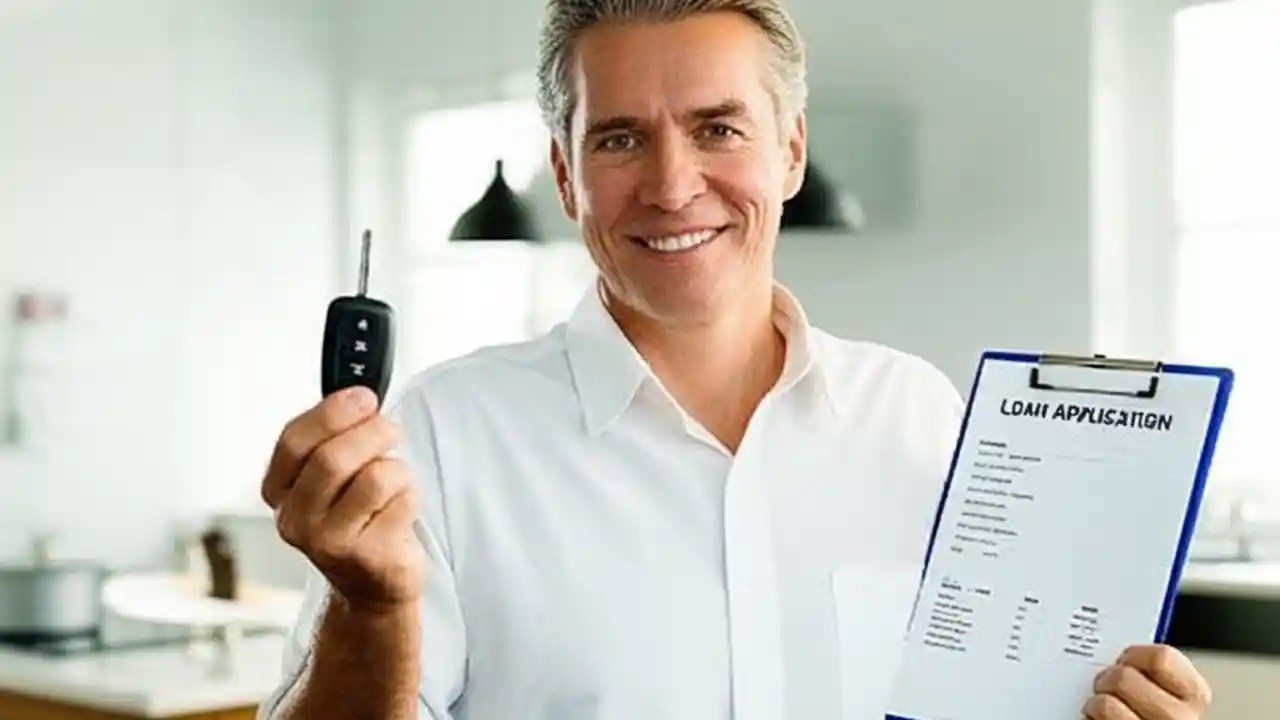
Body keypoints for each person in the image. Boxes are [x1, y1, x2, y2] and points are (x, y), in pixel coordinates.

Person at [257, 1, 1215, 718]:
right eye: (620, 138)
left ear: (790, 152)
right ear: (566, 177)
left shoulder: (923, 418)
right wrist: (372, 612)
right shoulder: (440, 439)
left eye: (717, 128)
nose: (673, 186)